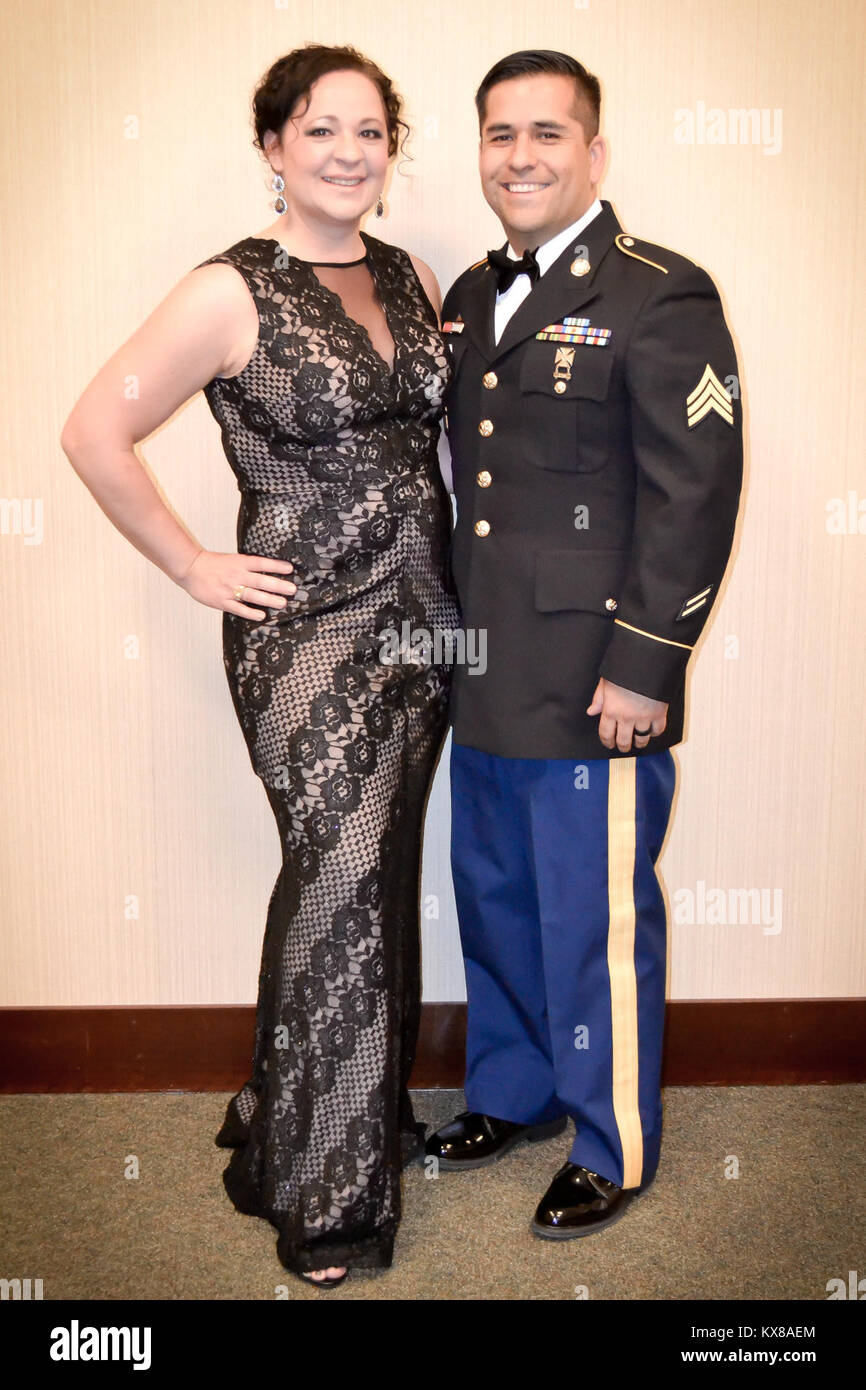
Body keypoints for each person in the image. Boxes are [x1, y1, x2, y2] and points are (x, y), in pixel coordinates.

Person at [60, 43, 459, 1286]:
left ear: (390, 152)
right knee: (338, 872)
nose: (347, 151)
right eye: (319, 129)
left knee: (374, 874)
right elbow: (94, 426)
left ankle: (311, 1106)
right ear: (274, 146)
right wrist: (191, 565)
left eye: (368, 131)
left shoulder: (407, 272)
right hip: (304, 631)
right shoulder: (228, 291)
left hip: (423, 620)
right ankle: (326, 1194)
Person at [426, 50, 743, 1237]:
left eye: (546, 135)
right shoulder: (468, 287)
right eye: (499, 135)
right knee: (495, 896)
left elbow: (692, 494)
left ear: (593, 154)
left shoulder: (659, 295)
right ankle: (512, 1091)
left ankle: (612, 1139)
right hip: (484, 665)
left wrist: (645, 663)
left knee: (593, 919)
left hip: (596, 680)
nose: (520, 157)